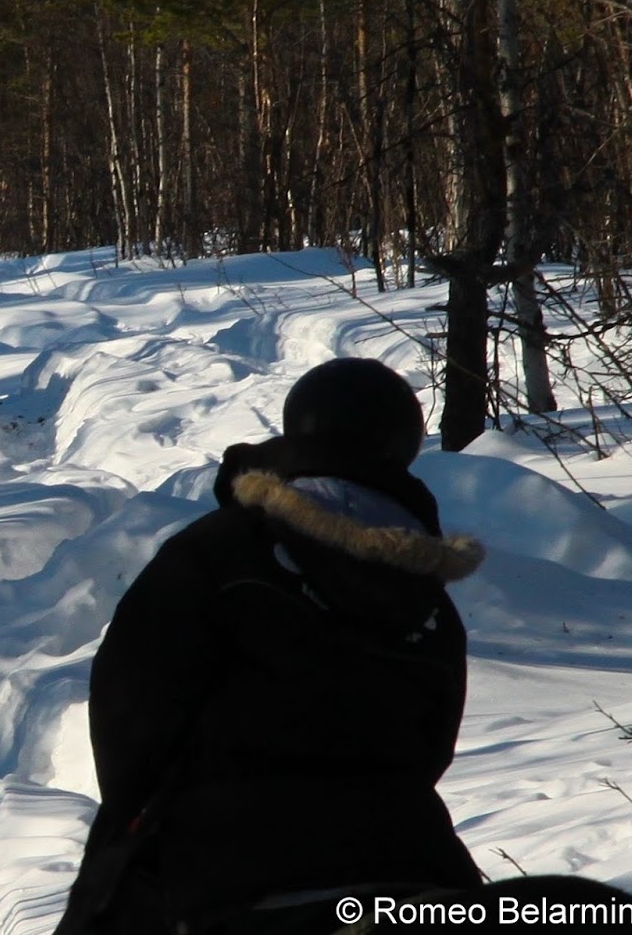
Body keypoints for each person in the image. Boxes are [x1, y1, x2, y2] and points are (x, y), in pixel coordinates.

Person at [55, 357, 487, 935]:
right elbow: (430, 748)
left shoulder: (218, 551)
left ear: (295, 433)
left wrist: (138, 821)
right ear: (403, 449)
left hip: (219, 866)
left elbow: (131, 709)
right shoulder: (425, 591)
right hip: (411, 857)